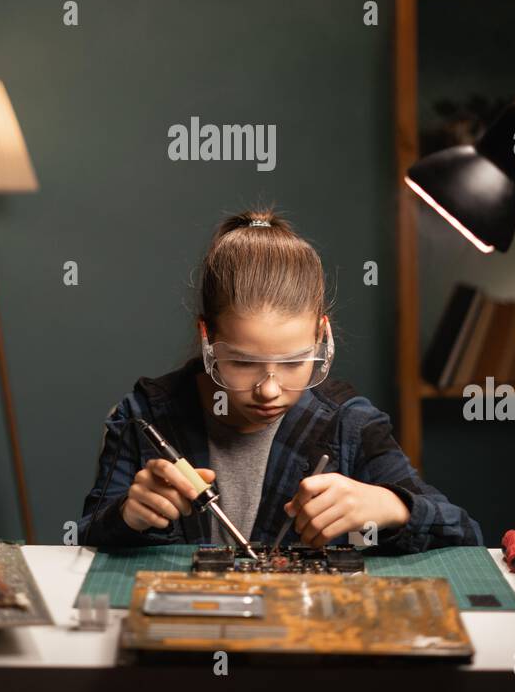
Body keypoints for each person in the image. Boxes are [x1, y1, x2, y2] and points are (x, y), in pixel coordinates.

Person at [78, 209, 483, 553]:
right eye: (242, 362)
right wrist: (127, 517)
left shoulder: (350, 425)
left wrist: (392, 506)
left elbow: (466, 535)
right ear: (207, 337)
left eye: (294, 362)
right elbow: (84, 540)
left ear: (321, 335)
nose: (269, 389)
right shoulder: (143, 416)